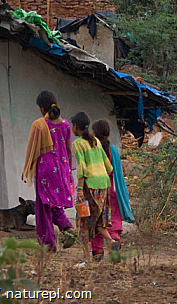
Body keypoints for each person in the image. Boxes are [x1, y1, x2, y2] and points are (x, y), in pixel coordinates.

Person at [22, 91, 77, 251]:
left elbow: (33, 150)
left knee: (43, 207)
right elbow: (68, 149)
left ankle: (48, 244)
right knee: (53, 203)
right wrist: (68, 172)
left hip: (45, 170)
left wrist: (27, 169)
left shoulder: (39, 125)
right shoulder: (66, 124)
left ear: (41, 107)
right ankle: (68, 229)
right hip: (61, 169)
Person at [71, 111, 120, 260]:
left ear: (75, 127)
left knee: (83, 220)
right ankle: (111, 241)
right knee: (99, 219)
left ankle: (87, 257)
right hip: (104, 184)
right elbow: (108, 167)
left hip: (89, 186)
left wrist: (80, 189)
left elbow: (82, 168)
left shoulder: (77, 144)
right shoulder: (96, 141)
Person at [91, 119, 134, 260]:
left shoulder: (93, 149)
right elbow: (117, 173)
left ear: (95, 133)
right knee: (113, 220)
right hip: (111, 191)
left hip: (97, 191)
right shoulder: (113, 150)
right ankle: (115, 240)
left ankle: (98, 251)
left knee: (97, 220)